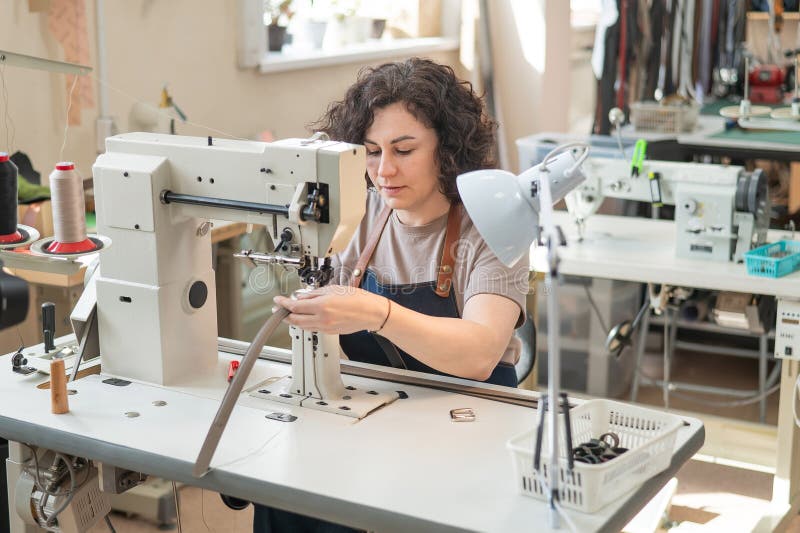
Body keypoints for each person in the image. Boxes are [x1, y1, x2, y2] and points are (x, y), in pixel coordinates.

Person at [253, 57, 529, 533]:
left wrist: (375, 311)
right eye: (372, 151)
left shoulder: (493, 226)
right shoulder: (356, 212)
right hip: (378, 410)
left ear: (448, 148)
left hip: (468, 422)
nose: (384, 171)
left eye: (404, 150)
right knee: (282, 489)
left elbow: (481, 352)